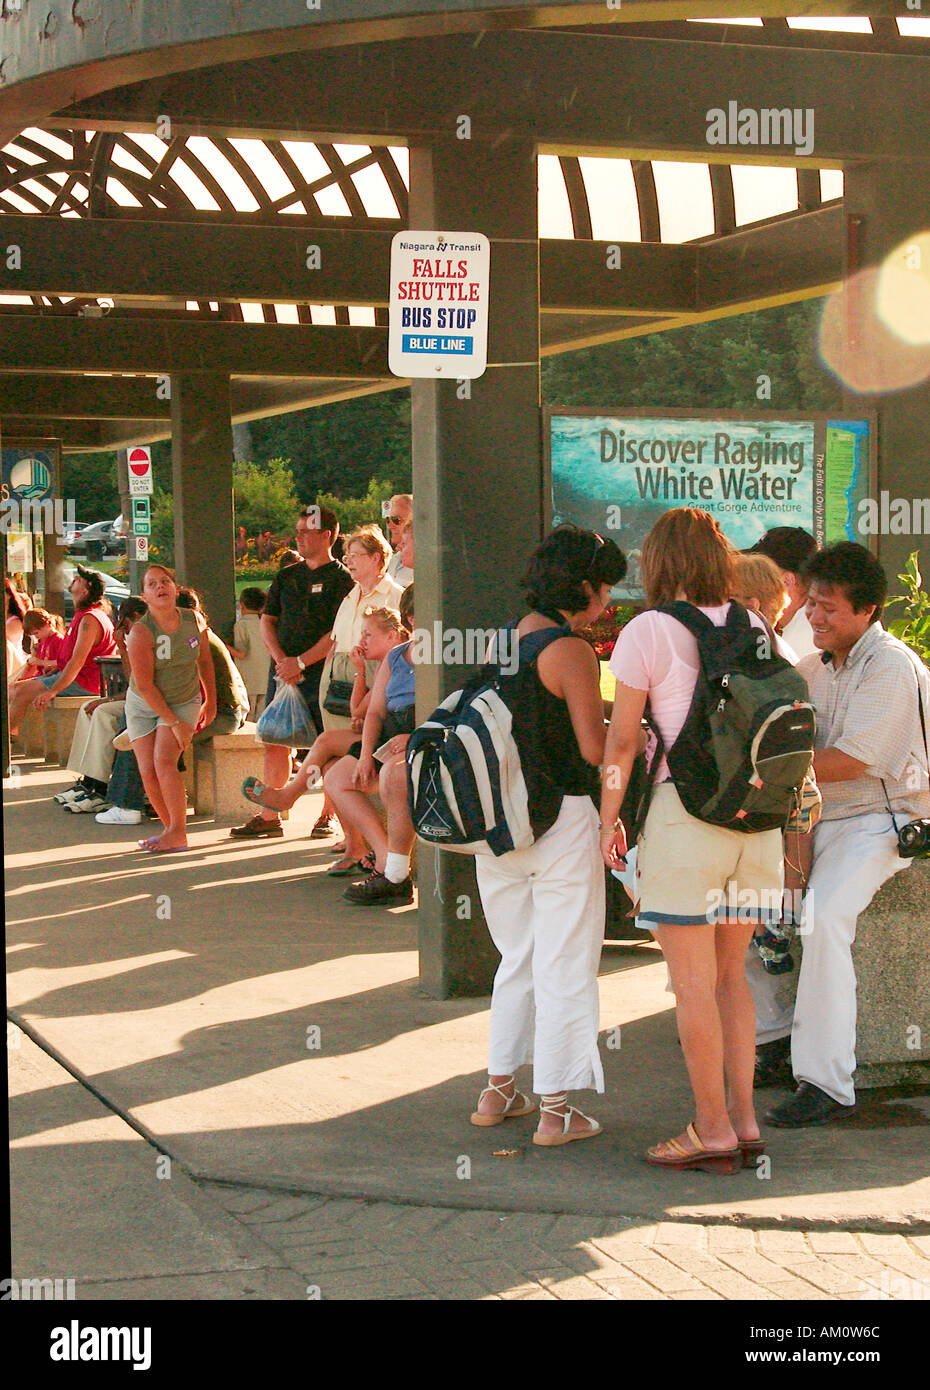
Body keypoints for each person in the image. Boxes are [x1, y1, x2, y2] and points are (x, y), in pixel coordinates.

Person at [600, 508, 784, 1173]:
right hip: (754, 823)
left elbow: (623, 740)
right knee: (732, 978)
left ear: (658, 562)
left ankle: (709, 1128)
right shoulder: (756, 623)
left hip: (685, 820)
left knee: (692, 985)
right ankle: (743, 1119)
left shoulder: (648, 629)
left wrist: (609, 818)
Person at [751, 542, 930, 1127]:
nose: (813, 616)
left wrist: (758, 765)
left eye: (829, 607)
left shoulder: (891, 665)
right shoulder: (810, 670)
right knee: (739, 902)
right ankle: (772, 1041)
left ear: (868, 610)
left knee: (823, 917)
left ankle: (825, 1083)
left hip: (884, 823)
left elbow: (855, 761)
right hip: (817, 819)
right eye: (811, 603)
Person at [470, 526, 626, 1146]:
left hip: (498, 823)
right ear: (583, 586)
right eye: (606, 585)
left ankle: (498, 1087)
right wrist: (634, 732)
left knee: (519, 958)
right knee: (566, 961)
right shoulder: (571, 651)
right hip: (560, 816)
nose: (609, 599)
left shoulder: (503, 641)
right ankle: (557, 1109)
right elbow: (594, 748)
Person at [240, 603, 407, 877]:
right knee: (329, 757)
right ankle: (362, 846)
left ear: (392, 636)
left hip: (390, 741)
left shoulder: (399, 659)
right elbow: (359, 710)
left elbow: (363, 712)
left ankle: (289, 797)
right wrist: (360, 670)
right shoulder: (387, 661)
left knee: (330, 746)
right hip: (378, 736)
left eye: (368, 635)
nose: (361, 641)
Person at [229, 505, 353, 840]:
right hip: (282, 674)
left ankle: (329, 816)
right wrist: (283, 660)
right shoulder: (287, 575)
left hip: (322, 676)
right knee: (275, 741)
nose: (298, 536)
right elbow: (268, 621)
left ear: (326, 535)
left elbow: (339, 632)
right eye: (297, 529)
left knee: (328, 748)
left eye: (305, 531)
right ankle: (270, 815)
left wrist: (301, 662)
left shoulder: (342, 579)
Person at [325, 590, 418, 902]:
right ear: (412, 620)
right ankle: (383, 855)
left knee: (394, 775)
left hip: (420, 736)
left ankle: (395, 874)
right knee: (337, 778)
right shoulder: (396, 656)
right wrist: (365, 757)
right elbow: (375, 711)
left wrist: (419, 736)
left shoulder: (448, 654)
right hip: (390, 735)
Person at [125, 563, 216, 853]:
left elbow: (204, 662)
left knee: (164, 761)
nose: (160, 587)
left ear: (175, 588)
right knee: (147, 769)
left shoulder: (194, 620)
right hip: (143, 703)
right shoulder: (140, 633)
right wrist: (173, 722)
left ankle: (178, 832)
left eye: (165, 581)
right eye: (152, 584)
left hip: (183, 698)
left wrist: (209, 701)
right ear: (144, 596)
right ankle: (170, 831)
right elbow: (146, 685)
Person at [56, 596, 148, 814]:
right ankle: (87, 781)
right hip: (139, 698)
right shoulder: (136, 637)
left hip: (147, 703)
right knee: (88, 708)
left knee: (103, 713)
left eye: (125, 624)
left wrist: (107, 700)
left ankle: (99, 787)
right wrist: (123, 647)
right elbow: (133, 680)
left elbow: (139, 687)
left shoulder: (148, 635)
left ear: (135, 617)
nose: (125, 629)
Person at [12, 567, 117, 733]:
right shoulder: (83, 615)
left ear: (85, 590)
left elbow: (78, 661)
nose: (74, 578)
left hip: (86, 682)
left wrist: (53, 691)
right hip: (73, 676)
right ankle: (12, 735)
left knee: (20, 692)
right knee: (11, 689)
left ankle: (8, 739)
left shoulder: (90, 619)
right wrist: (58, 666)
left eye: (80, 579)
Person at [749, 526, 818, 658]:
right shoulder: (778, 621)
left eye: (759, 571)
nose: (751, 578)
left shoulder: (813, 636)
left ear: (786, 581)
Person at [228, 587, 270, 720]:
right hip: (265, 679)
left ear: (241, 606)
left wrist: (224, 646)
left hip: (249, 679)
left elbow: (241, 654)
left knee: (248, 718)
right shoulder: (266, 624)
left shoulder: (242, 625)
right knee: (262, 717)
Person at [18, 608, 66, 682]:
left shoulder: (59, 640)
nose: (36, 636)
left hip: (51, 679)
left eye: (37, 633)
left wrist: (41, 662)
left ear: (48, 624)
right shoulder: (42, 642)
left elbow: (64, 662)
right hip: (42, 677)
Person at [385, 494, 414, 587]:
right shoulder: (394, 560)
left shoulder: (428, 565)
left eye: (396, 520)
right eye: (388, 520)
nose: (390, 526)